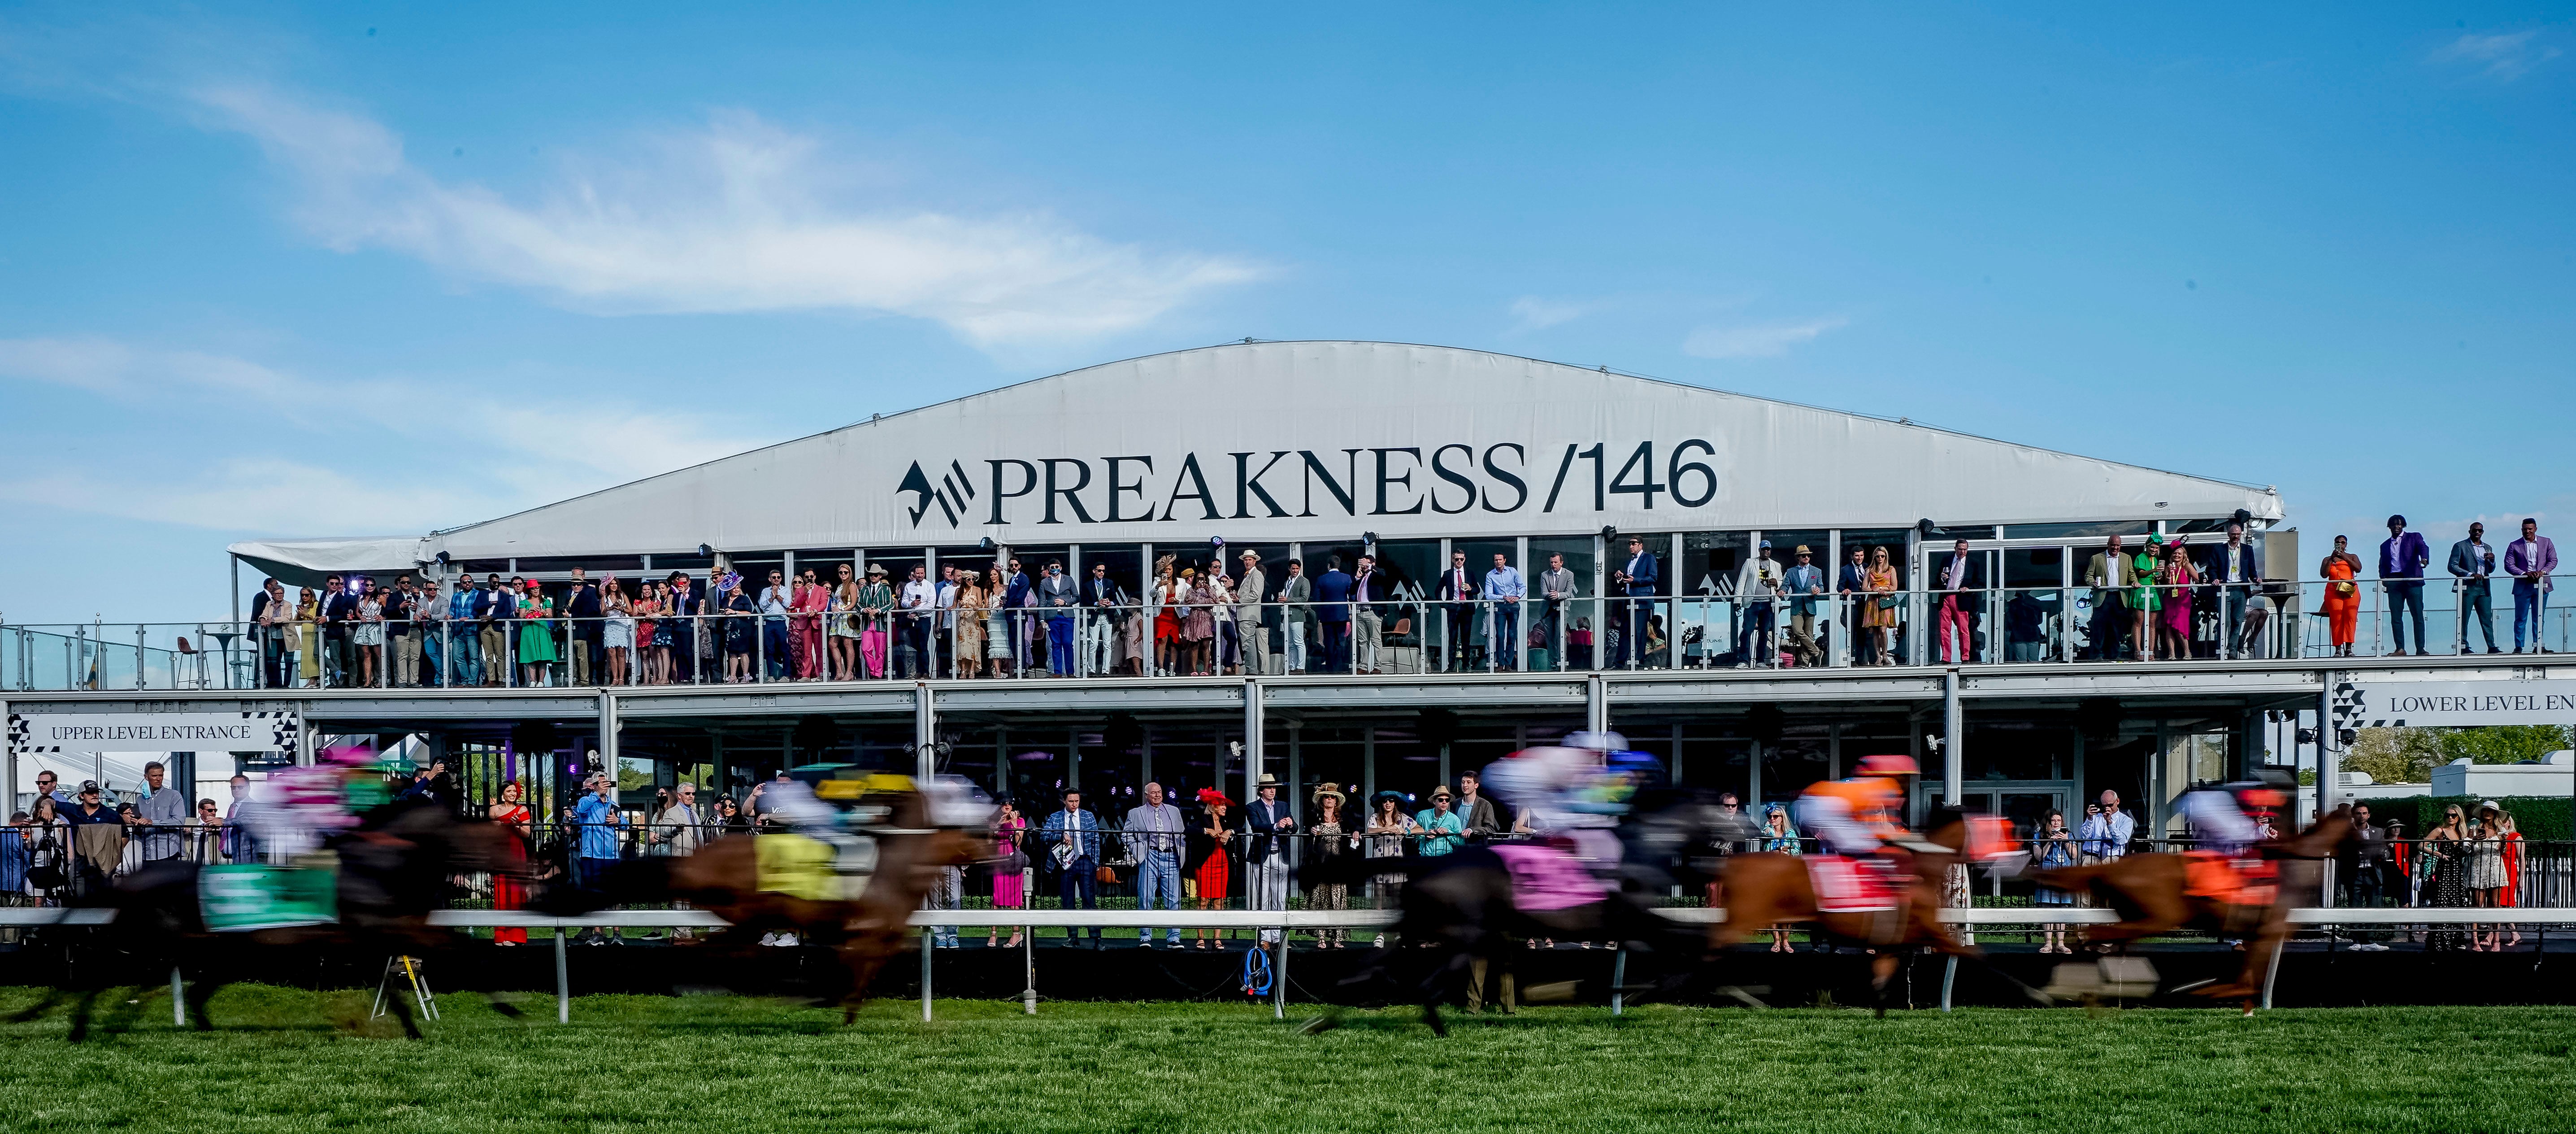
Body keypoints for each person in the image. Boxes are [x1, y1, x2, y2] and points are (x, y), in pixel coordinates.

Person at [1124, 783, 1187, 948]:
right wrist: (1138, 852)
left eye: (1159, 792)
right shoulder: (1136, 813)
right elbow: (1127, 835)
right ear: (1146, 795)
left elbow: (1182, 834)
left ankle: (1174, 938)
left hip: (1171, 856)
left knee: (1174, 900)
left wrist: (1180, 849)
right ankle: (1146, 937)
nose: (1157, 796)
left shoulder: (1173, 811)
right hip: (1150, 855)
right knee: (1146, 897)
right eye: (1153, 793)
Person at [1039, 789, 1101, 948]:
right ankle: (1073, 938)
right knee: (1068, 901)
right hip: (1065, 863)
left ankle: (1096, 938)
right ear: (1064, 801)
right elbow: (1044, 835)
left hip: (1084, 860)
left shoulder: (1088, 816)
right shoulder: (1056, 817)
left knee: (1089, 900)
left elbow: (1096, 839)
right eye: (1071, 801)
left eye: (1077, 801)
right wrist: (1061, 834)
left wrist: (1095, 862)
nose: (1074, 804)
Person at [570, 774, 627, 945]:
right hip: (592, 855)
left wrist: (617, 821)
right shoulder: (586, 802)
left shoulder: (613, 805)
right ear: (595, 785)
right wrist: (596, 794)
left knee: (613, 893)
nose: (605, 786)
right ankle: (597, 933)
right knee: (594, 893)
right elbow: (580, 811)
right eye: (602, 783)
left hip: (611, 855)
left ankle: (617, 932)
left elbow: (625, 825)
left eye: (606, 783)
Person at [1243, 773, 1295, 945]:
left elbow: (1294, 827)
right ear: (1262, 790)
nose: (1272, 791)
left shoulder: (1283, 806)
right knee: (1263, 897)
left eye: (1274, 788)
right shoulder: (1253, 807)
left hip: (1281, 855)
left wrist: (1290, 824)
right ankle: (1265, 937)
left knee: (1280, 898)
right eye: (1269, 788)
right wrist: (1275, 826)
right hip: (1263, 856)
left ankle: (1277, 936)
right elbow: (1256, 825)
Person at [2338, 803, 2394, 951]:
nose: (2362, 816)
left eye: (2364, 813)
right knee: (2354, 908)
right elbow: (2340, 851)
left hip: (2373, 873)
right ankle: (2356, 940)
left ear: (2369, 815)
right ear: (2353, 815)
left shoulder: (2378, 832)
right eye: (2358, 813)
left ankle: (2370, 941)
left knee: (2374, 908)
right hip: (2354, 873)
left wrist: (2384, 854)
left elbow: (2385, 850)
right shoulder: (2346, 832)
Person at [1364, 791, 1418, 943]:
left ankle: (1398, 933)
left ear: (1395, 804)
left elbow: (1419, 829)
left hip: (1397, 862)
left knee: (1397, 898)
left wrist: (1404, 831)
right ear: (1381, 804)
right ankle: (1380, 933)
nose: (1388, 804)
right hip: (1380, 861)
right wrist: (1385, 830)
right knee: (1379, 897)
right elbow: (1370, 830)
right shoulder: (1376, 818)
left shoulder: (1402, 818)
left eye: (1391, 801)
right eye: (1385, 801)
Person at [1186, 789, 1237, 949]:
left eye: (1225, 806)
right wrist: (1206, 831)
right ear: (1213, 806)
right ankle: (1200, 937)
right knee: (1203, 901)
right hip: (1206, 864)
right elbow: (1188, 831)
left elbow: (1240, 828)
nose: (1225, 808)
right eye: (1222, 805)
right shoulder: (1203, 820)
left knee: (1219, 901)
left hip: (1222, 865)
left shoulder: (1227, 822)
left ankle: (1217, 939)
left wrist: (1230, 832)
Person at [1306, 783, 1355, 948]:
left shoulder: (1344, 818)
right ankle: (1321, 937)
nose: (1329, 799)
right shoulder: (1315, 816)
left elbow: (1354, 829)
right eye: (1327, 797)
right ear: (1322, 800)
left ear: (1337, 801)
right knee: (1322, 900)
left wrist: (1356, 833)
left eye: (1333, 797)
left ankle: (1338, 937)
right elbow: (1308, 836)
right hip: (1320, 864)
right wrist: (1313, 832)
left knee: (1338, 901)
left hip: (1338, 864)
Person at [2203, 523, 2262, 659]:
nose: (2236, 537)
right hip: (2225, 588)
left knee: (2237, 620)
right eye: (2233, 534)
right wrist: (2214, 579)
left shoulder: (2247, 550)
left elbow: (2252, 569)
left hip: (2241, 588)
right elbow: (2211, 568)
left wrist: (2256, 578)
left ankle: (2232, 650)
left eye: (2238, 534)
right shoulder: (2219, 550)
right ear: (2229, 535)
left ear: (2241, 535)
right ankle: (2220, 649)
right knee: (2225, 621)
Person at [487, 781, 534, 945]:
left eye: (515, 791)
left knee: (516, 892)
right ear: (503, 793)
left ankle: (516, 935)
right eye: (509, 791)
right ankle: (500, 934)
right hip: (501, 853)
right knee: (501, 892)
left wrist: (516, 826)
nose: (513, 794)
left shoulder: (523, 810)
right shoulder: (494, 810)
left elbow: (527, 834)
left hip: (516, 852)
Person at [2380, 514, 2433, 656]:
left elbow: (2423, 547)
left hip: (2412, 580)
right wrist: (2384, 579)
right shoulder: (2385, 545)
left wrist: (2425, 559)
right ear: (2389, 526)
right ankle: (2400, 649)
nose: (2397, 527)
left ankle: (2421, 648)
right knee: (2396, 617)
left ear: (2403, 526)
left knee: (2418, 615)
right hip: (2394, 581)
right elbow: (2383, 564)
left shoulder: (2414, 537)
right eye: (2394, 524)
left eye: (2400, 524)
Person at [2506, 519, 2557, 654]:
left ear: (2535, 529)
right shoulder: (2514, 545)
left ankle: (2538, 644)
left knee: (2539, 616)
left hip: (2542, 585)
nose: (2527, 531)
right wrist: (2524, 574)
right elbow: (2509, 565)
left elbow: (2553, 560)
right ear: (2522, 529)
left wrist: (2543, 572)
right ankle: (2519, 646)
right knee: (2521, 617)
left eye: (2530, 529)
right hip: (2523, 585)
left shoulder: (2546, 542)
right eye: (2525, 529)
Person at [2031, 811, 2079, 953]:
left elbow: (2074, 856)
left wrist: (2066, 841)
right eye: (2054, 820)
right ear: (2048, 823)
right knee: (2047, 908)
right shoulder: (2039, 836)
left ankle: (2061, 943)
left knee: (2062, 908)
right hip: (2047, 873)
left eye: (2059, 820)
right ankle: (2048, 943)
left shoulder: (2069, 835)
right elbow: (2039, 857)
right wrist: (2050, 841)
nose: (2057, 823)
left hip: (2063, 873)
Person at [2450, 523, 2502, 654]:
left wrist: (2492, 561)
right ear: (2470, 531)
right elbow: (2452, 566)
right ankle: (2463, 645)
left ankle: (2492, 646)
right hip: (2468, 586)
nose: (2477, 533)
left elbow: (2491, 569)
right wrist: (2470, 575)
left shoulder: (2487, 548)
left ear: (2483, 532)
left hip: (2484, 586)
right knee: (2464, 617)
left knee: (2487, 617)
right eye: (2475, 531)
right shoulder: (2460, 546)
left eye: (2480, 531)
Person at [2082, 535, 2135, 661]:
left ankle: (2114, 654)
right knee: (2099, 627)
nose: (2115, 548)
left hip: (2119, 596)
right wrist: (2093, 583)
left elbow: (2131, 574)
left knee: (2116, 628)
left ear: (2120, 546)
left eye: (2118, 546)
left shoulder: (2126, 558)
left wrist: (2135, 582)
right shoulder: (2097, 558)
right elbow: (2088, 576)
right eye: (2113, 545)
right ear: (2108, 545)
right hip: (2103, 596)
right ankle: (2097, 655)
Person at [985, 799, 1029, 948]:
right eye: (1004, 803)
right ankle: (994, 933)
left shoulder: (1020, 820)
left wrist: (1015, 824)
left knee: (1014, 898)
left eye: (1010, 803)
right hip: (998, 861)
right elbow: (989, 844)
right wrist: (998, 825)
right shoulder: (994, 820)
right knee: (997, 898)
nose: (1007, 806)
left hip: (1013, 861)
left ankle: (1016, 933)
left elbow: (1018, 842)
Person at [2467, 802, 2511, 951]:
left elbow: (2503, 851)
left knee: (2495, 904)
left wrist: (2504, 843)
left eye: (2490, 811)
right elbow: (2466, 850)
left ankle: (2496, 939)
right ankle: (2474, 940)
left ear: (2495, 814)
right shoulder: (2473, 829)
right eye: (2485, 810)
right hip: (2478, 867)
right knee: (2477, 905)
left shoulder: (2501, 830)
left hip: (2495, 868)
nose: (2487, 813)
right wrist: (2474, 841)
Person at [1615, 536, 1659, 668]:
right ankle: (1619, 663)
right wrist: (1621, 578)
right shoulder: (1630, 562)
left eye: (1634, 544)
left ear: (1641, 545)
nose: (1631, 547)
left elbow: (1653, 577)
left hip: (1642, 600)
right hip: (1630, 599)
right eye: (1630, 544)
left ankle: (1639, 661)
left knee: (1640, 631)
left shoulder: (1648, 558)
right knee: (1625, 631)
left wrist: (1635, 580)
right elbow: (1628, 580)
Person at [1778, 545, 1826, 668]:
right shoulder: (1791, 571)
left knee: (1809, 634)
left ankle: (1804, 662)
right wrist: (1782, 591)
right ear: (1798, 557)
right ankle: (1816, 651)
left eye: (1808, 555)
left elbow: (1821, 587)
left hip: (1810, 604)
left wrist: (1818, 591)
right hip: (1797, 605)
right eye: (1804, 556)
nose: (1807, 557)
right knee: (1797, 630)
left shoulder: (1817, 571)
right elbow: (1785, 585)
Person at [135, 760, 189, 864]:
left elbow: (179, 822)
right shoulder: (140, 799)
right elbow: (140, 826)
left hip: (169, 850)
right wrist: (135, 823)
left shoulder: (174, 795)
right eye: (154, 776)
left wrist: (152, 822)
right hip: (147, 851)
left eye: (161, 775)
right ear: (146, 777)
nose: (159, 779)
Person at [2319, 535, 2364, 658]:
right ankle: (2338, 649)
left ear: (2346, 545)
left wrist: (2344, 556)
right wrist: (2332, 559)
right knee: (2337, 618)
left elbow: (2359, 568)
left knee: (2350, 617)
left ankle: (2349, 648)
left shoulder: (2352, 556)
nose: (2340, 544)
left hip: (2350, 590)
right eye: (2338, 542)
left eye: (2343, 543)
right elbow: (2324, 574)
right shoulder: (2328, 559)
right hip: (2334, 591)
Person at [1081, 562, 1127, 677]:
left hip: (1107, 616)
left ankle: (1106, 670)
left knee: (1107, 644)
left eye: (1103, 571)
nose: (1102, 573)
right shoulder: (1088, 585)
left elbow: (1115, 600)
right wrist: (1097, 603)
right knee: (1093, 644)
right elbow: (1084, 601)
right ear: (1094, 571)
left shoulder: (1109, 583)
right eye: (1099, 570)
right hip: (1095, 616)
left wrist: (1109, 603)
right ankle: (1091, 669)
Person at [1312, 556, 1355, 675]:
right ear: (1339, 566)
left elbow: (1317, 599)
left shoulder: (1322, 579)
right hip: (1342, 615)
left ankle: (1331, 669)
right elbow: (1352, 597)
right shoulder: (1346, 578)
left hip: (1327, 616)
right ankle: (1340, 667)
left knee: (1329, 643)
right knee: (1341, 642)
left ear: (1328, 566)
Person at [2157, 539, 2198, 661]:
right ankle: (2172, 654)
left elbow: (2197, 578)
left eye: (2179, 554)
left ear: (2184, 555)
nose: (2177, 556)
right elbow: (2166, 584)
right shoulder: (2168, 567)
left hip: (2183, 600)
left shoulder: (2187, 566)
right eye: (2175, 554)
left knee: (2179, 625)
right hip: (2170, 599)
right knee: (2169, 626)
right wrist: (2169, 573)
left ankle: (2187, 651)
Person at [1484, 552, 1526, 671]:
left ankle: (1509, 663)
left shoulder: (1512, 571)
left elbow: (1523, 587)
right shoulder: (1490, 575)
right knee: (1500, 635)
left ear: (1505, 560)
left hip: (1513, 606)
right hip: (1501, 606)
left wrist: (1517, 597)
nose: (1498, 562)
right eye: (1496, 560)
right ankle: (1500, 663)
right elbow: (1488, 595)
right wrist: (1503, 597)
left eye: (1500, 560)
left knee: (1512, 635)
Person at [1538, 552, 1579, 670]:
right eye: (1552, 562)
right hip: (1548, 610)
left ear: (1561, 563)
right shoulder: (1545, 575)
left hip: (1562, 608)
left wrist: (1558, 595)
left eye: (1556, 562)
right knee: (1550, 638)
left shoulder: (1569, 575)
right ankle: (1553, 664)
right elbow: (1544, 593)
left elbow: (1568, 592)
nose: (1553, 565)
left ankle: (1562, 662)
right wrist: (1552, 595)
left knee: (1560, 636)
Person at [1861, 545, 1901, 665]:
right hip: (1873, 602)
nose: (1880, 558)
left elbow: (1894, 587)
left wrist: (1883, 588)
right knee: (1876, 631)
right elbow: (1864, 588)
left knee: (1883, 630)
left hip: (1885, 602)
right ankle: (1878, 657)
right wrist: (1874, 590)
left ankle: (1885, 656)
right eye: (1878, 556)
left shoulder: (1891, 569)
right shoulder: (1870, 570)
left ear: (1886, 557)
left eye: (1882, 556)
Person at [2127, 536, 2163, 662]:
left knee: (2153, 624)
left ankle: (2151, 651)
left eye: (2156, 548)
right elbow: (2141, 573)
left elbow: (2155, 574)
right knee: (2139, 622)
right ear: (2147, 546)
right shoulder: (2140, 557)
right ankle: (2138, 651)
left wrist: (2159, 576)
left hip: (2154, 590)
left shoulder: (2156, 559)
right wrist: (2153, 570)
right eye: (2152, 547)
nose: (2154, 550)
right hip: (2142, 590)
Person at [1836, 546, 1873, 666]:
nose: (1860, 558)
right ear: (1852, 556)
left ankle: (1862, 660)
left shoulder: (1868, 567)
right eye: (1857, 556)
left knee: (1864, 634)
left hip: (1866, 605)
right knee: (1852, 634)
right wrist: (1845, 590)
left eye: (1862, 555)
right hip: (1853, 606)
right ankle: (1852, 660)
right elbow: (1839, 586)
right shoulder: (1846, 569)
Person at [897, 565, 937, 678]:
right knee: (915, 646)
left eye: (922, 573)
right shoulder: (909, 587)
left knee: (923, 646)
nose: (920, 576)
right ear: (914, 574)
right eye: (918, 573)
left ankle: (926, 672)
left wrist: (917, 612)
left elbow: (931, 605)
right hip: (911, 620)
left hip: (924, 619)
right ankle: (918, 671)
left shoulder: (930, 586)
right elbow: (904, 602)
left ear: (924, 574)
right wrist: (911, 604)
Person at [1234, 552, 1270, 676]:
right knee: (1248, 642)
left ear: (1255, 561)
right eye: (1245, 560)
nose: (1247, 562)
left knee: (1248, 643)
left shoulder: (1256, 575)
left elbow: (1256, 594)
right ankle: (1252, 669)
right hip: (1246, 613)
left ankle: (1252, 670)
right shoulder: (1249, 575)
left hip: (1249, 614)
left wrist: (1240, 600)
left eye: (1250, 559)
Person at [855, 565, 894, 678]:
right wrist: (864, 610)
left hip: (880, 623)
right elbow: (858, 604)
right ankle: (873, 672)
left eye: (875, 575)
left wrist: (879, 610)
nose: (873, 577)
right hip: (867, 623)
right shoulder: (864, 589)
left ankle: (878, 674)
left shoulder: (886, 589)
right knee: (866, 649)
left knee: (880, 651)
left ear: (880, 576)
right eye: (871, 575)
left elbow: (890, 604)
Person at [1350, 555, 1386, 674]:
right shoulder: (1362, 577)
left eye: (1366, 564)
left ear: (1373, 563)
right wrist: (1357, 578)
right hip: (1361, 612)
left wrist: (1370, 566)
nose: (1364, 567)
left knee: (1375, 640)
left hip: (1373, 612)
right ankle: (1364, 666)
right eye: (1362, 565)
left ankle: (1378, 667)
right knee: (1363, 641)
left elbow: (1383, 574)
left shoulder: (1376, 575)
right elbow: (1351, 592)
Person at [1275, 559, 1312, 674]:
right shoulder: (1288, 581)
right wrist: (1282, 600)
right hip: (1288, 615)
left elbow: (1304, 599)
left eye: (1297, 569)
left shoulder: (1304, 581)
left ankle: (1301, 667)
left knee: (1299, 641)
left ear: (1300, 569)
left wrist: (1288, 600)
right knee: (1290, 643)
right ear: (1290, 569)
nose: (1295, 571)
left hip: (1298, 615)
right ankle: (1292, 667)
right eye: (1293, 569)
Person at [1178, 565, 1215, 676]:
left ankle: (1206, 670)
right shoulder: (1191, 590)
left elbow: (1214, 601)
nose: (1200, 581)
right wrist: (1202, 599)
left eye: (1202, 579)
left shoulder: (1210, 589)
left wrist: (1207, 591)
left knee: (1205, 645)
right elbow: (1189, 601)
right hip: (1194, 618)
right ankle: (1194, 670)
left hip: (1205, 618)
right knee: (1195, 645)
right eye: (1198, 579)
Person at [951, 571, 989, 678]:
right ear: (964, 580)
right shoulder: (959, 591)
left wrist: (978, 607)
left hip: (973, 620)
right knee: (963, 646)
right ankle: (963, 670)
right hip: (963, 621)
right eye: (969, 580)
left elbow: (979, 604)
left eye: (973, 579)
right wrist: (950, 608)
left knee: (973, 646)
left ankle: (972, 670)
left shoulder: (977, 589)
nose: (971, 581)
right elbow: (955, 605)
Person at [1415, 786, 1466, 857]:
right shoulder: (1423, 815)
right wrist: (1425, 836)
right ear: (1434, 802)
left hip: (1446, 858)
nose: (1444, 802)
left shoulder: (1454, 819)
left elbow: (1461, 842)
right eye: (1441, 800)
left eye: (1447, 800)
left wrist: (1448, 832)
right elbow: (1415, 835)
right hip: (1426, 856)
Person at [1456, 768, 1504, 842]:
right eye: (1463, 782)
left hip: (1475, 847)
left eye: (1469, 782)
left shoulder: (1485, 805)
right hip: (1457, 846)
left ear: (1476, 785)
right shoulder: (1456, 803)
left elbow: (1490, 829)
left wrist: (1473, 830)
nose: (1465, 785)